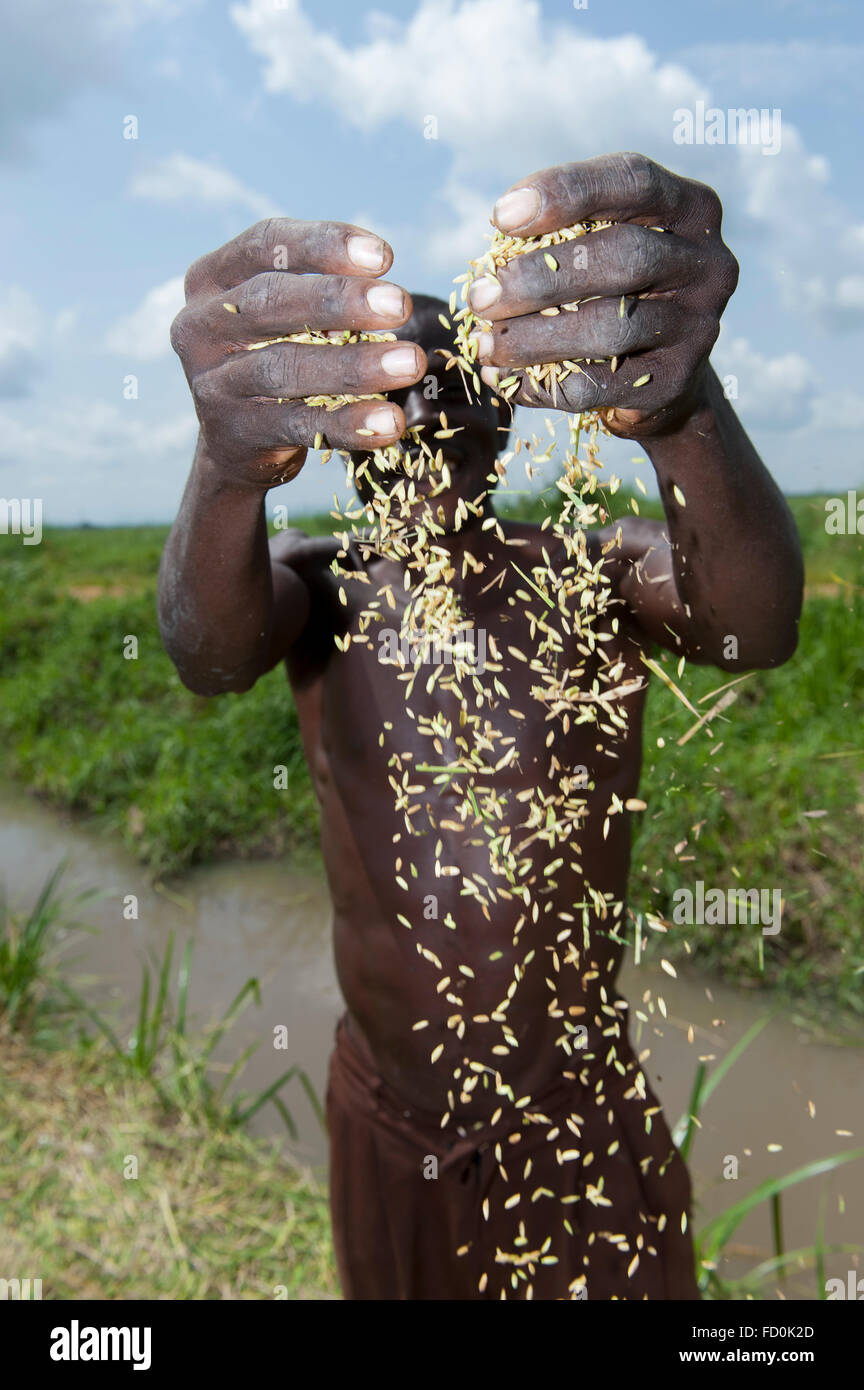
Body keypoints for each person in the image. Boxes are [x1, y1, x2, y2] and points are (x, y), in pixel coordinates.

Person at [159, 152, 803, 1300]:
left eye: (452, 391)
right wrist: (224, 468)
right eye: (391, 398)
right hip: (394, 1113)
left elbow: (755, 625)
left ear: (503, 427)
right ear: (342, 432)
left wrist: (683, 412)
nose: (420, 425)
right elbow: (205, 650)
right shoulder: (326, 589)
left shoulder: (589, 574)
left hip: (575, 1109)